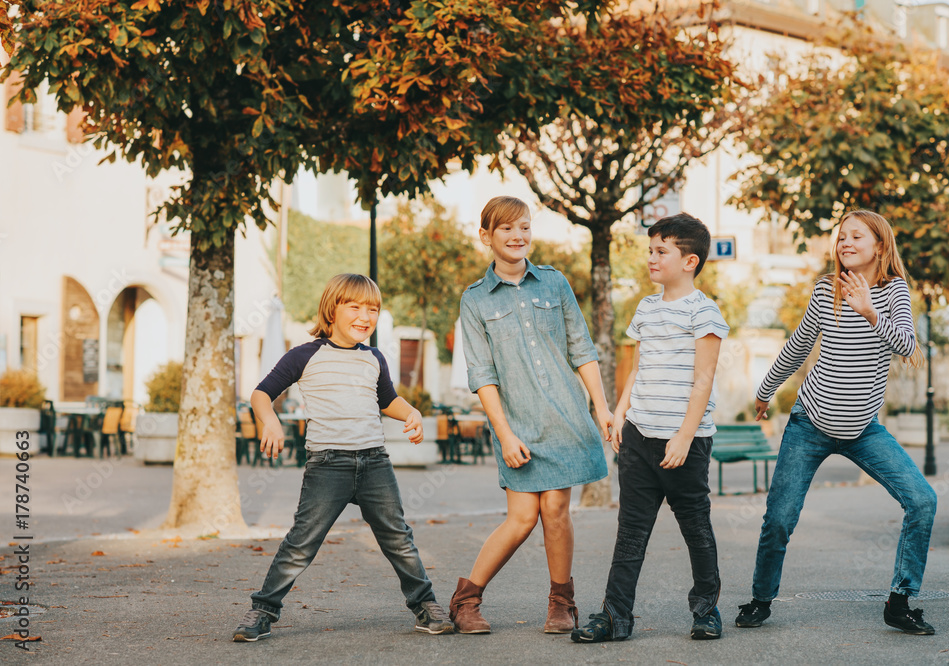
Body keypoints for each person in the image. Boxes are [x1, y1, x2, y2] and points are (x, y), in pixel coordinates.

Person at [735, 210, 938, 635]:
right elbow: (799, 344)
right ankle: (760, 599)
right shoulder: (827, 289)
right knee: (779, 518)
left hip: (862, 429)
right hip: (810, 422)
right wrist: (765, 390)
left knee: (922, 501)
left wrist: (868, 310)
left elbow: (906, 344)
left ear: (879, 245)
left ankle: (900, 601)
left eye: (856, 237)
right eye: (841, 237)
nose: (844, 243)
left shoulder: (895, 291)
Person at [232, 273, 454, 642]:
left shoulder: (374, 358)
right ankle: (263, 610)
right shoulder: (304, 355)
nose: (365, 316)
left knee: (398, 538)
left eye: (373, 309)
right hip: (327, 465)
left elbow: (388, 401)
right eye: (355, 307)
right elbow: (260, 393)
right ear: (332, 309)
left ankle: (425, 606)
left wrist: (411, 413)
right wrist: (269, 421)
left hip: (374, 463)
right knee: (301, 543)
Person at [450, 196, 613, 634]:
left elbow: (581, 347)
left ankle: (562, 604)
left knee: (556, 509)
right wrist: (504, 433)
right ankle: (466, 601)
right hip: (516, 424)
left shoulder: (555, 284)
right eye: (506, 228)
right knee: (521, 519)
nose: (517, 235)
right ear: (486, 236)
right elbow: (482, 374)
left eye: (523, 226)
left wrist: (602, 407)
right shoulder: (475, 300)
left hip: (563, 418)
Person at [572, 213, 729, 644]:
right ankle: (615, 615)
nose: (652, 258)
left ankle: (706, 610)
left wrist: (683, 436)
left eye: (662, 251)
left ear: (690, 261)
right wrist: (620, 411)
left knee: (695, 527)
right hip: (639, 438)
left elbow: (703, 380)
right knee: (630, 532)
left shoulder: (705, 311)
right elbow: (638, 369)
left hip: (685, 443)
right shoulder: (646, 307)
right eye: (650, 251)